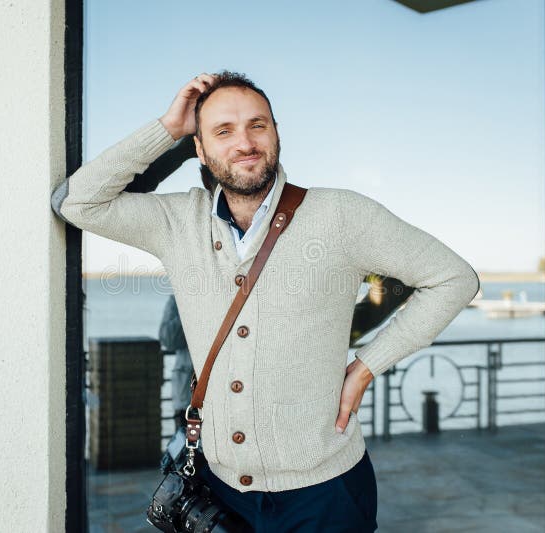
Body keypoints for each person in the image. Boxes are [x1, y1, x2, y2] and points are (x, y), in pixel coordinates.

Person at [51, 71, 480, 532]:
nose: (245, 142)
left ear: (276, 133)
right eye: (223, 130)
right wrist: (167, 128)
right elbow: (77, 203)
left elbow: (454, 278)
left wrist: (368, 364)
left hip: (327, 493)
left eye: (258, 125)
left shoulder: (342, 214)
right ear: (198, 148)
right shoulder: (176, 221)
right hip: (218, 494)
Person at [158, 294, 194, 429]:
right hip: (187, 396)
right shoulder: (178, 299)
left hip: (219, 394)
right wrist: (190, 308)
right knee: (188, 446)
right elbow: (168, 340)